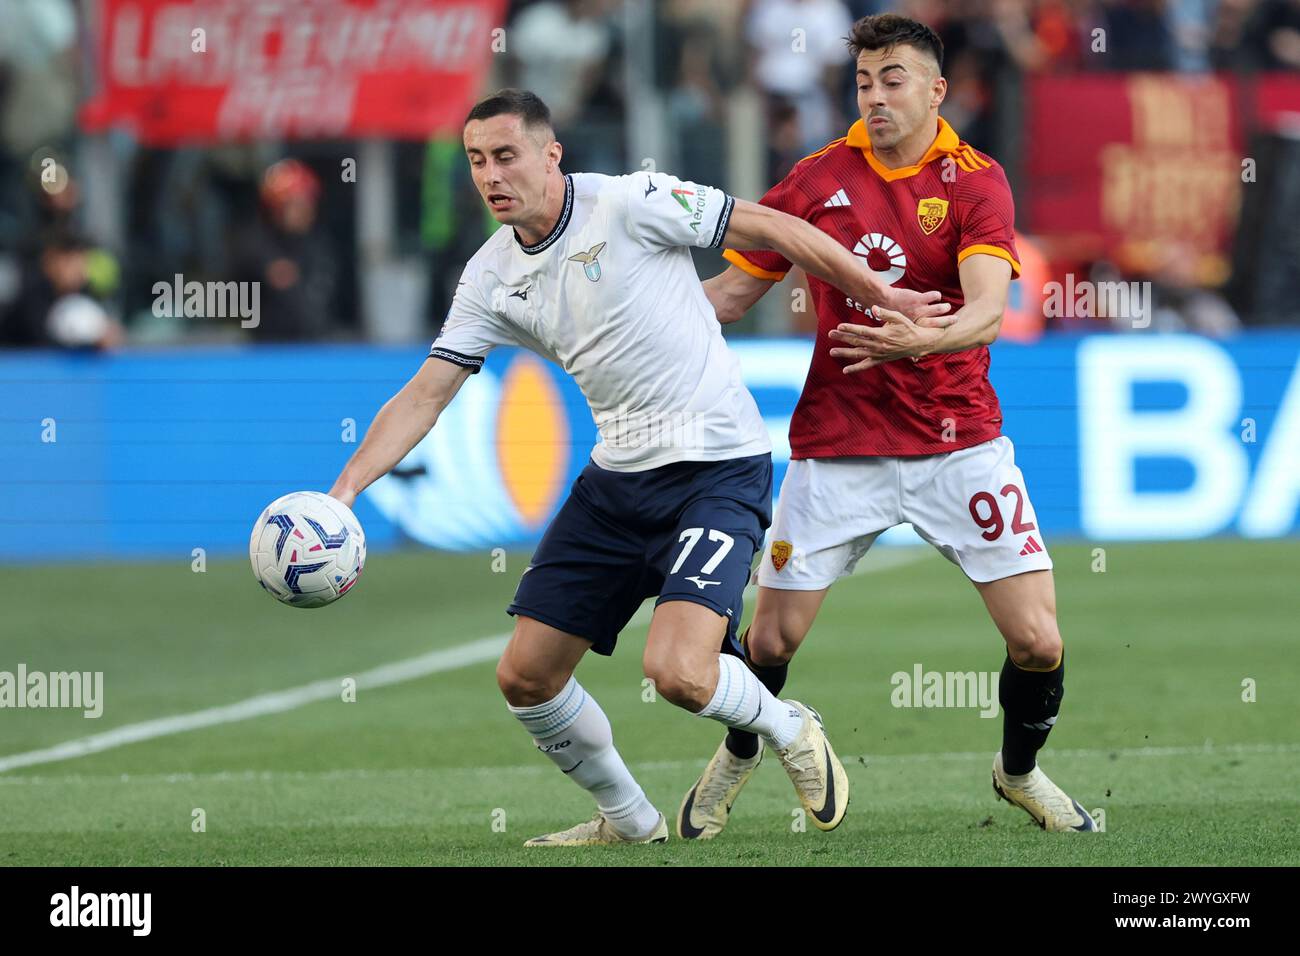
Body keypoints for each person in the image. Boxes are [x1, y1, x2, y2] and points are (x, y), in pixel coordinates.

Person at [325, 88, 948, 846]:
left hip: (717, 465)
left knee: (680, 674)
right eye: (477, 161)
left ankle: (789, 726)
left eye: (508, 156)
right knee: (524, 677)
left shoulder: (633, 200)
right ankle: (629, 820)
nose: (491, 175)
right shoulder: (488, 276)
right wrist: (345, 492)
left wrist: (880, 295)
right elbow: (427, 392)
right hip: (616, 480)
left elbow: (774, 227)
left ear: (552, 154)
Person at [681, 14, 1097, 839]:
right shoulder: (815, 180)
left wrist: (921, 337)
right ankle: (741, 749)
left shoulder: (976, 181)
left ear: (936, 90)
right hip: (840, 448)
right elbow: (728, 297)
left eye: (893, 78)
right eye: (864, 81)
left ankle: (1018, 772)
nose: (875, 95)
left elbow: (985, 313)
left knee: (1039, 641)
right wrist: (629, 327)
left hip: (960, 446)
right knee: (768, 641)